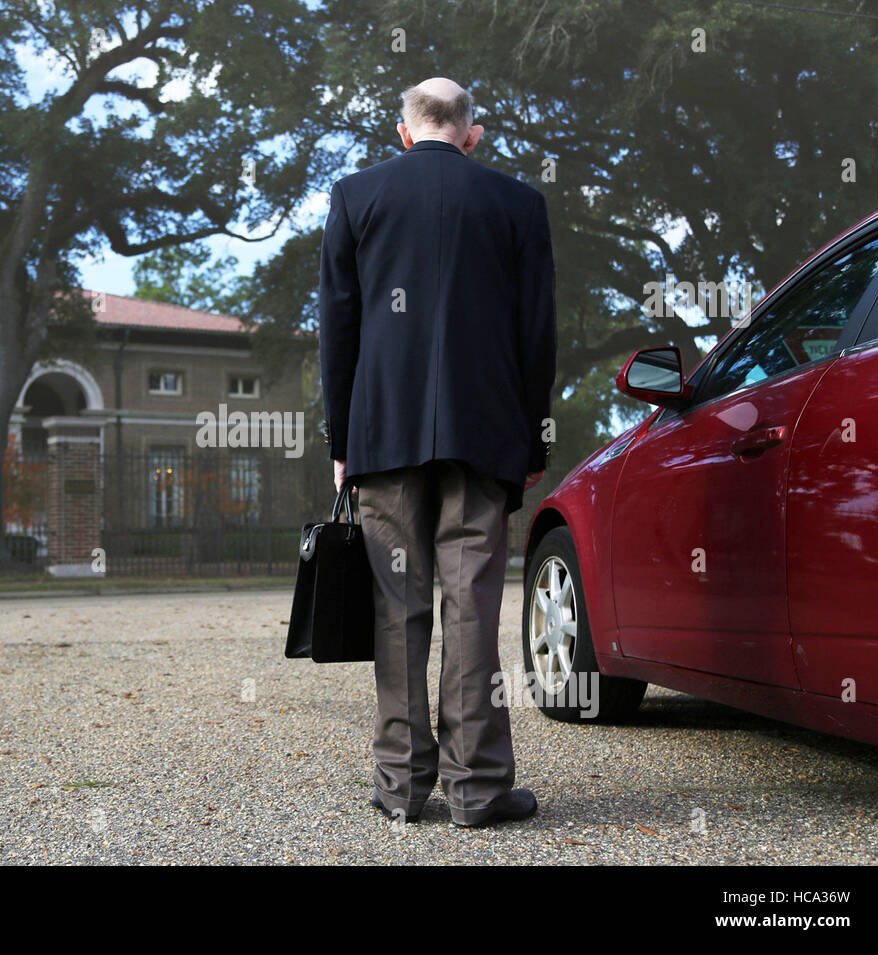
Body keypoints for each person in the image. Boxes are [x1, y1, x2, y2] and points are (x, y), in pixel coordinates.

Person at [318, 76, 556, 828]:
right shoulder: (518, 203)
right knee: (472, 609)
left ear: (403, 130)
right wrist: (532, 430)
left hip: (382, 434)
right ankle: (478, 790)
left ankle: (399, 788)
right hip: (485, 432)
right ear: (472, 133)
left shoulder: (356, 196)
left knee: (398, 609)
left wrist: (341, 440)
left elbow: (339, 328)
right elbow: (536, 334)